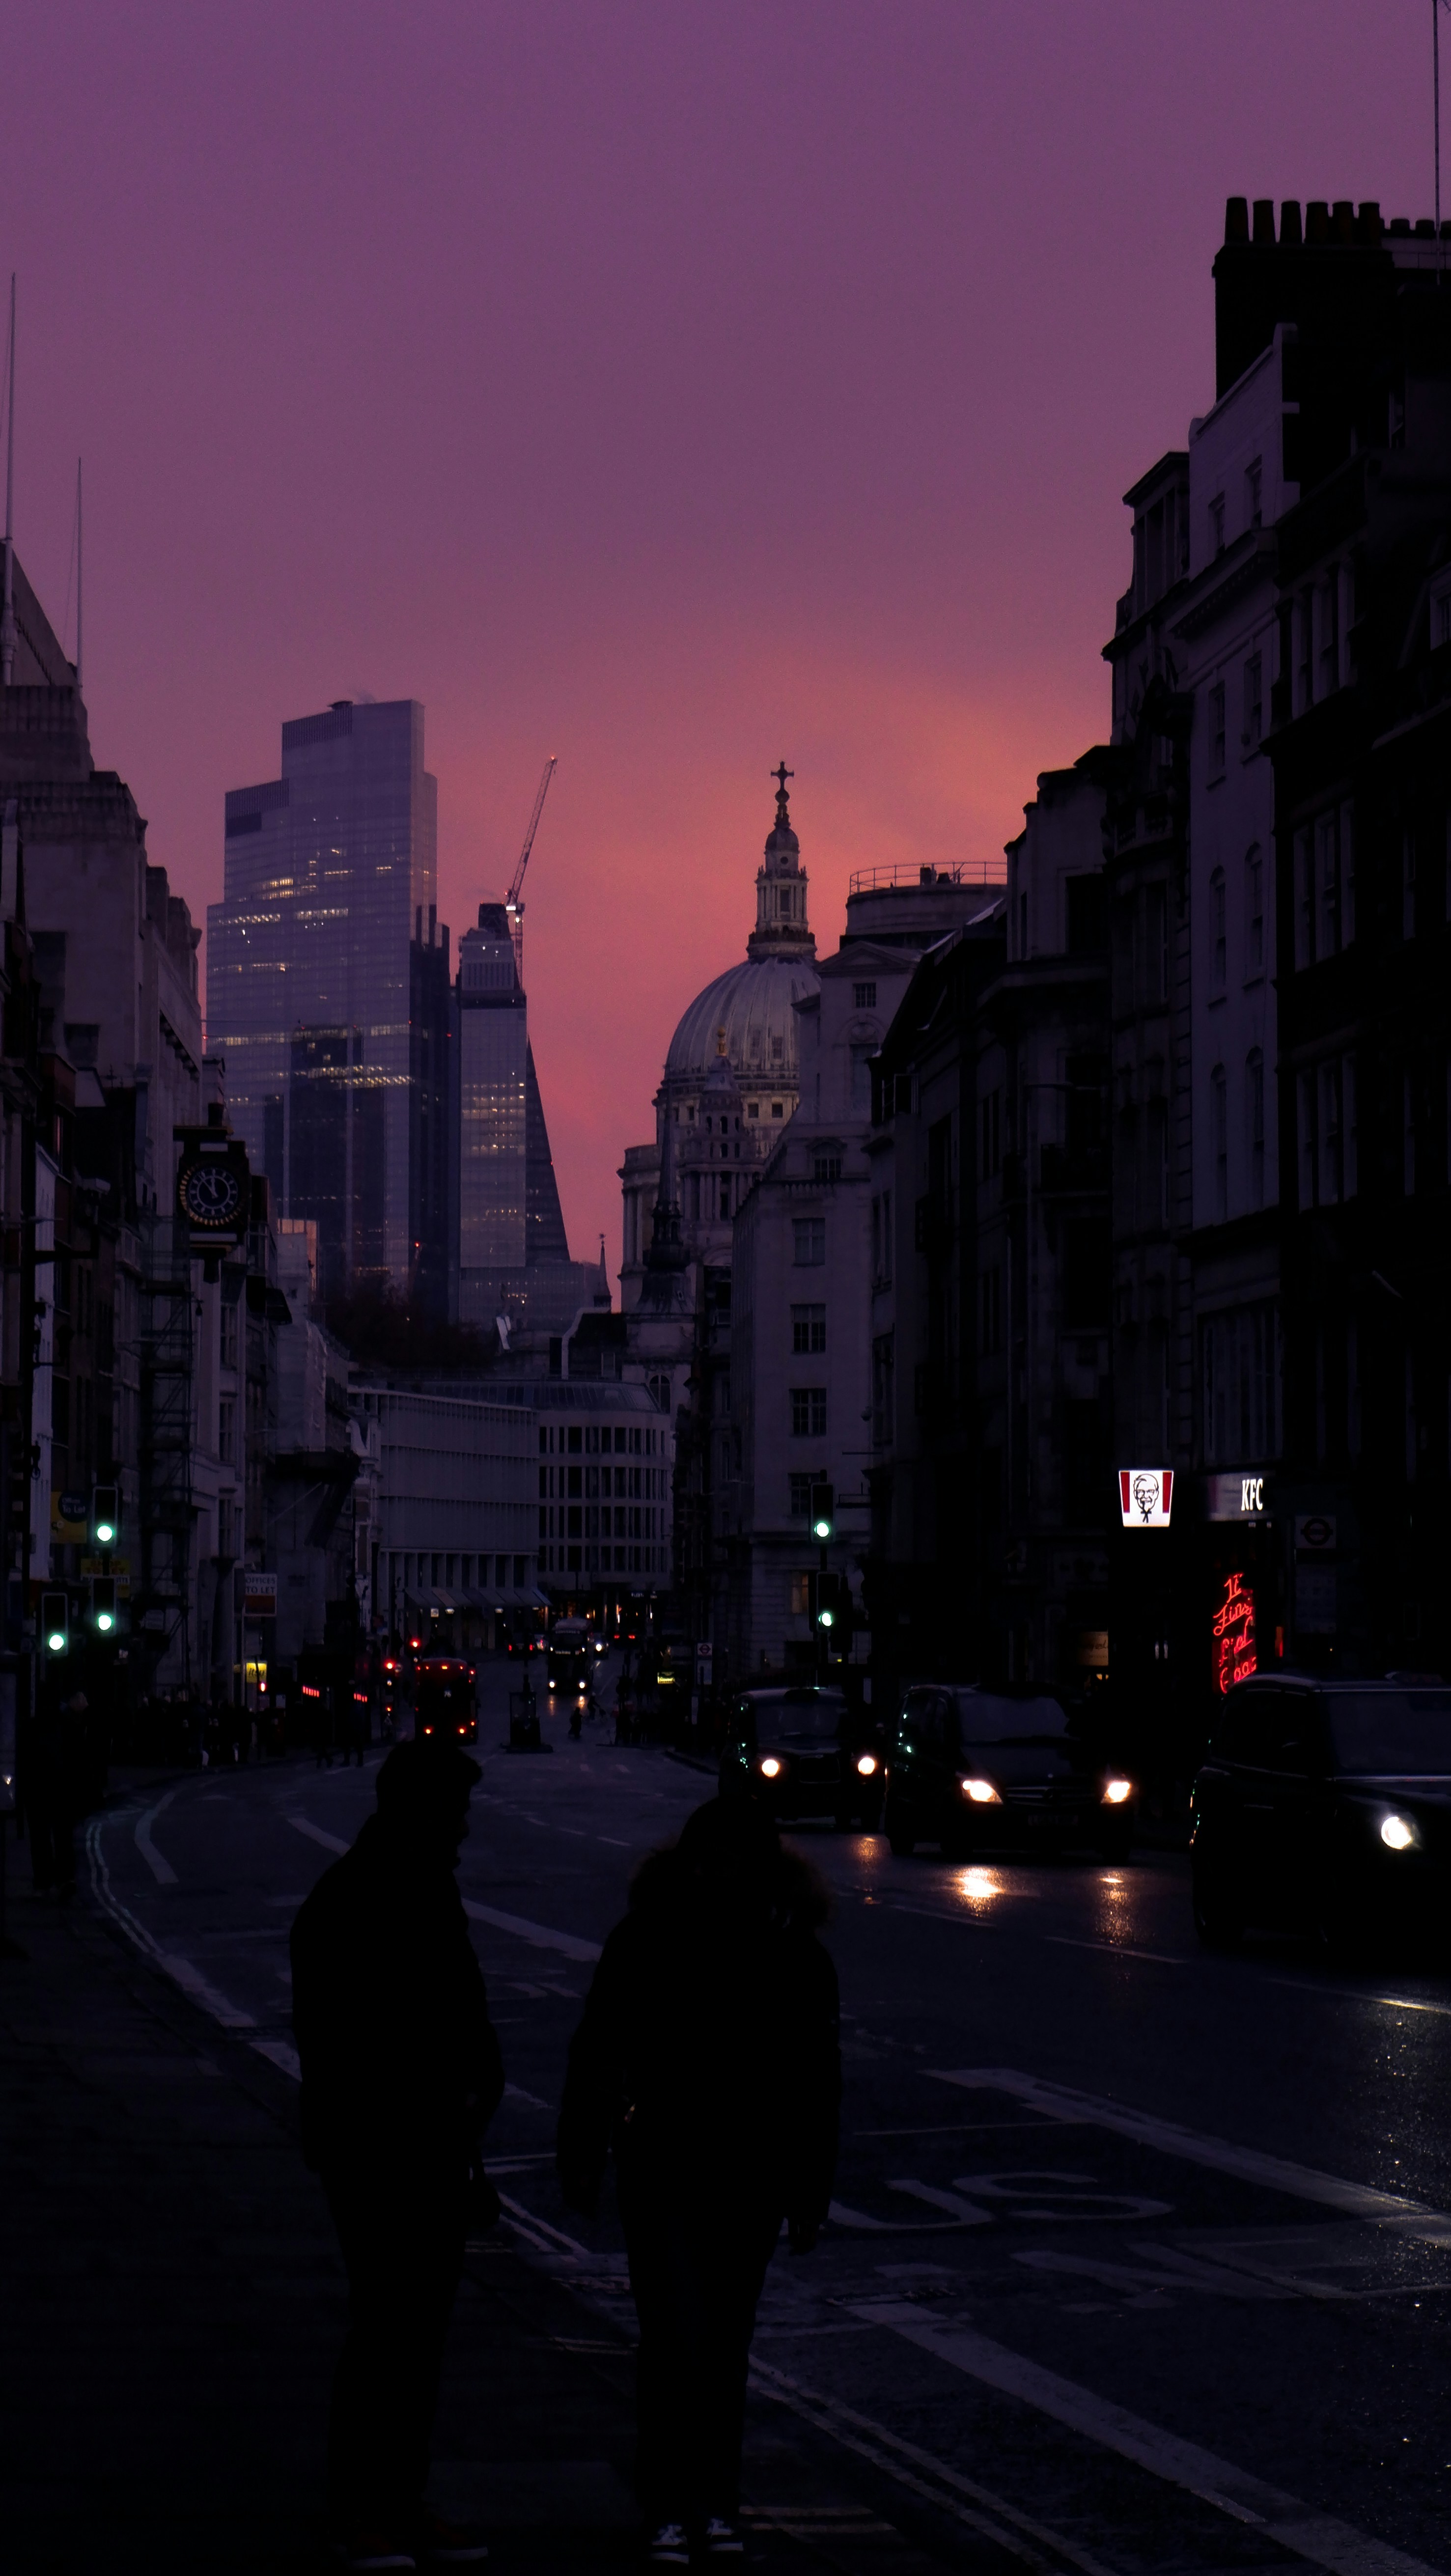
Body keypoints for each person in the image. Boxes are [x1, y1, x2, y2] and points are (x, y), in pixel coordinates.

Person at [557, 1798, 840, 2565]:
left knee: (719, 2344)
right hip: (666, 2163)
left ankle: (709, 2503)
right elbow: (599, 2045)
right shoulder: (649, 1938)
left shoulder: (793, 1953)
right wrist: (583, 2150)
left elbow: (816, 2082)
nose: (717, 1875)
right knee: (678, 2337)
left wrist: (808, 2190)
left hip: (749, 2172)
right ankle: (670, 2505)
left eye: (731, 1862)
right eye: (707, 1860)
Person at [291, 1737, 503, 2573]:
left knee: (419, 2331)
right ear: (419, 1812)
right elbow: (342, 2034)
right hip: (376, 2144)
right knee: (387, 2325)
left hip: (431, 2140)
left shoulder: (424, 1884)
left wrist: (479, 2078)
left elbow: (463, 1999)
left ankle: (400, 2499)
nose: (464, 1826)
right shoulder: (355, 1896)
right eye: (454, 1811)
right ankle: (358, 2511)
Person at [23, 1686, 87, 1897]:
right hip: (59, 1790)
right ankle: (62, 1879)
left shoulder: (34, 1727)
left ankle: (48, 1881)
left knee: (44, 1839)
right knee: (61, 1838)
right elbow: (78, 1760)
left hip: (43, 1790)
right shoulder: (66, 1726)